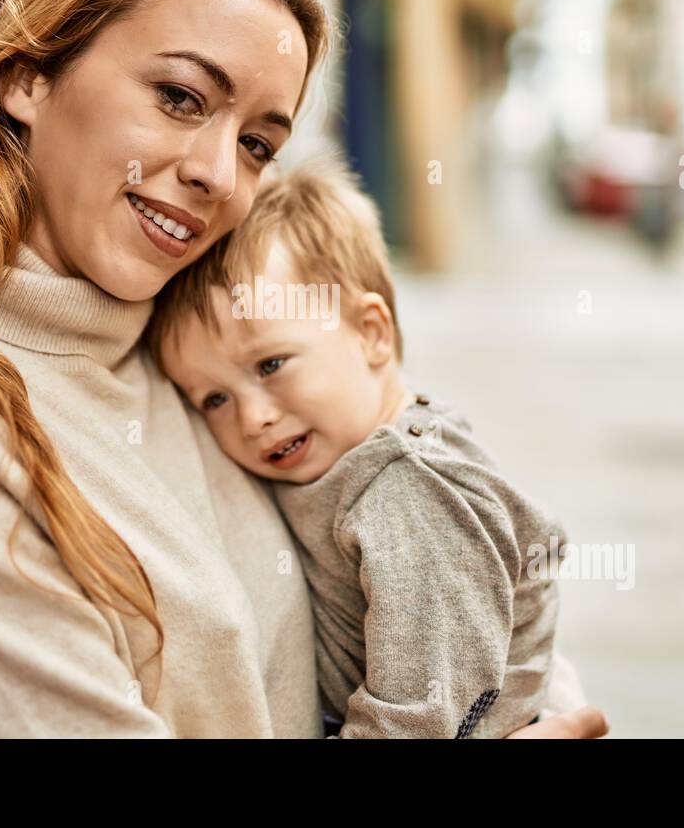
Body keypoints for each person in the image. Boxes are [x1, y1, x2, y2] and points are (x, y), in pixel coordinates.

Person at [0, 0, 608, 739]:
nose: (219, 174)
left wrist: (543, 700)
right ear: (28, 79)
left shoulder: (187, 333)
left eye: (257, 144)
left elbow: (451, 578)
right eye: (179, 97)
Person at [147, 158, 572, 738]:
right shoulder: (343, 457)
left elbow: (420, 715)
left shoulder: (410, 494)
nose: (253, 417)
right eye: (214, 399)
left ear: (372, 333)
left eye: (271, 364)